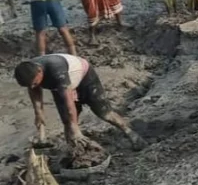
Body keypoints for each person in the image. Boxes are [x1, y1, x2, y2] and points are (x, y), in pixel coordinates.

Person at [14, 54, 147, 150]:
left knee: (104, 113)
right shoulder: (29, 71)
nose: (33, 86)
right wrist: (38, 113)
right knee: (66, 121)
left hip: (84, 78)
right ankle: (72, 150)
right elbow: (34, 90)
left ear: (40, 71)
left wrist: (76, 129)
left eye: (35, 83)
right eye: (29, 85)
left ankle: (131, 133)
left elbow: (69, 102)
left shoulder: (55, 68)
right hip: (59, 85)